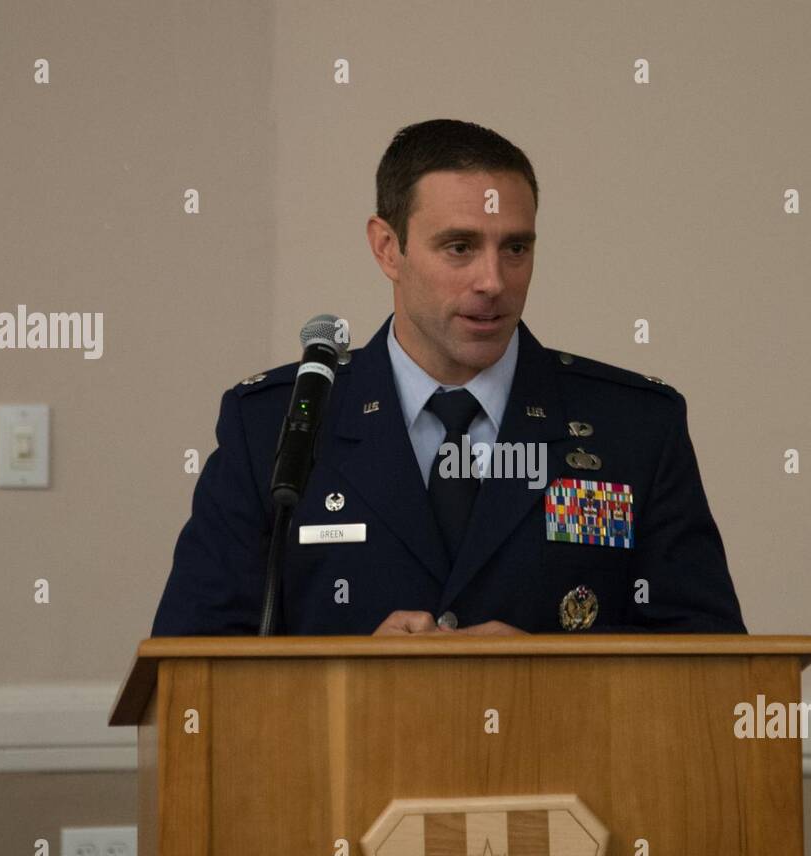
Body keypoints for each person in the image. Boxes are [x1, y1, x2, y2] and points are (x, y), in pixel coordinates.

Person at [151, 119, 745, 637]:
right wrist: (348, 671)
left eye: (515, 248)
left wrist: (552, 669)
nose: (493, 280)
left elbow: (708, 656)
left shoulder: (633, 427)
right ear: (388, 248)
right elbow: (194, 661)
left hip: (555, 765)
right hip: (342, 765)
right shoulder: (276, 425)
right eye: (459, 247)